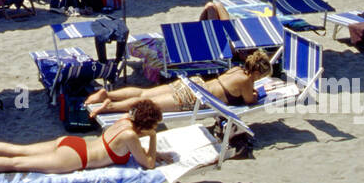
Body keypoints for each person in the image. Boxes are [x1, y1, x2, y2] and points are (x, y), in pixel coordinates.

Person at [0, 99, 166, 183]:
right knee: (17, 164)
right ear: (146, 124)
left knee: (17, 150)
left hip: (73, 143)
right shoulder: (130, 136)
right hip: (75, 158)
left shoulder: (124, 121)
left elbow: (136, 149)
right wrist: (154, 138)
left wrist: (152, 148)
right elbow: (148, 164)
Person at [84, 50, 273, 116]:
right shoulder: (247, 80)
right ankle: (111, 106)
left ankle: (107, 94)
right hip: (195, 97)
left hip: (194, 83)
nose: (259, 79)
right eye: (261, 76)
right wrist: (256, 94)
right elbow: (249, 100)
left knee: (144, 93)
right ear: (256, 72)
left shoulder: (237, 70)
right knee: (148, 105)